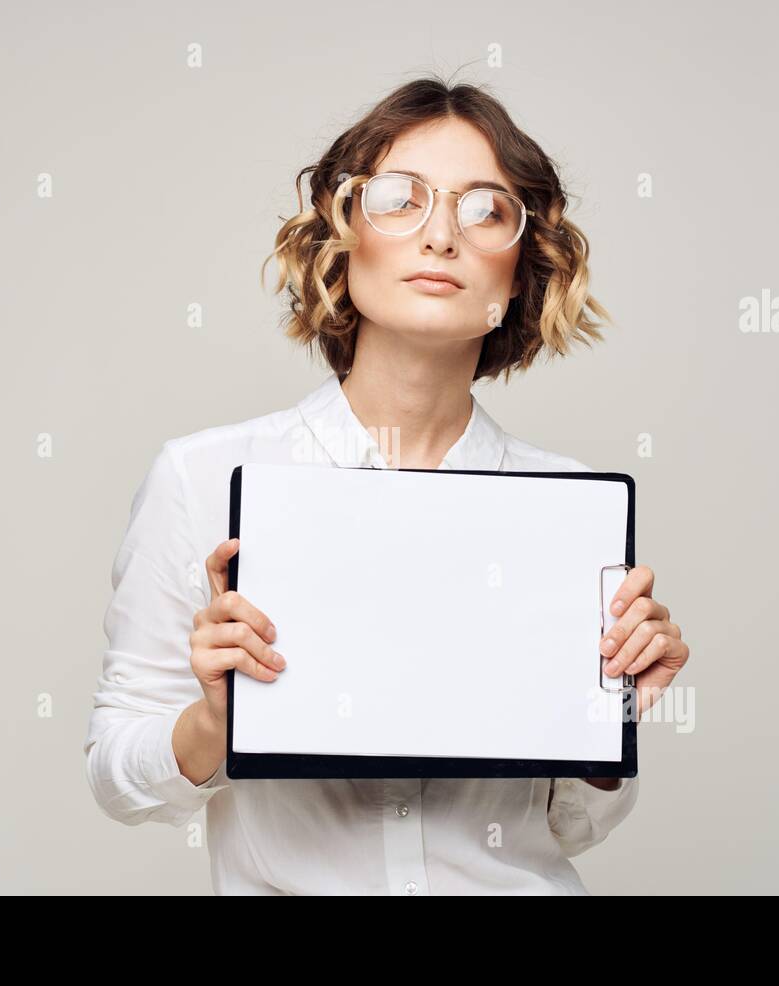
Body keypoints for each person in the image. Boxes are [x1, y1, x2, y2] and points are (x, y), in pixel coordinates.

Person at [83, 76, 690, 895]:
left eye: (485, 210)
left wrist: (612, 716)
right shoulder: (203, 478)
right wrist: (214, 725)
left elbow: (568, 829)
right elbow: (116, 777)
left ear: (518, 273)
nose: (441, 235)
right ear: (341, 238)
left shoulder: (567, 512)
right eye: (400, 199)